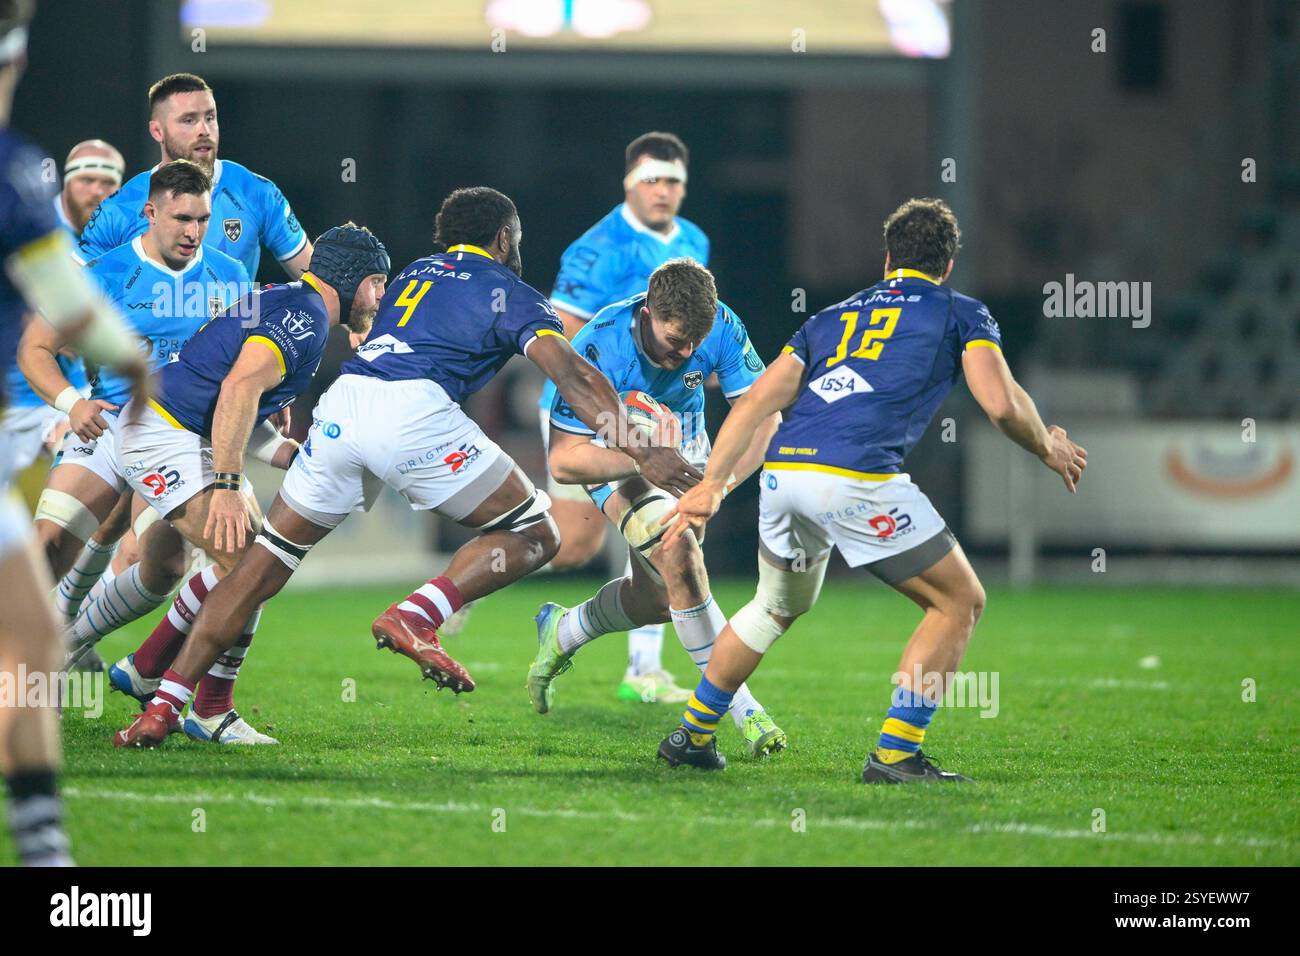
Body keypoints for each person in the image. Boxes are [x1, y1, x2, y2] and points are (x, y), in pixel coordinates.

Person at [112, 186, 700, 748]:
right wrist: (643, 449)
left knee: (258, 567)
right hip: (412, 411)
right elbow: (570, 375)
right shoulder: (507, 288)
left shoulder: (413, 272)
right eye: (515, 240)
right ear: (503, 238)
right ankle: (417, 615)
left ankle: (164, 704)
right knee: (536, 531)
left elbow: (365, 328)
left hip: (343, 405)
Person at [655, 198, 1088, 778]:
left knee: (773, 606)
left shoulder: (829, 317)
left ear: (887, 259)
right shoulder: (961, 313)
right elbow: (1002, 403)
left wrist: (714, 484)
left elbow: (756, 401)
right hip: (855, 477)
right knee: (959, 601)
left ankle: (691, 736)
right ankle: (895, 753)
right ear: (948, 264)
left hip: (785, 475)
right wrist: (1048, 446)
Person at [95, 224, 388, 745]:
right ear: (349, 279)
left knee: (250, 563)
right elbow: (237, 389)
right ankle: (197, 704)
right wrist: (229, 485)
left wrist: (282, 452)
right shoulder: (307, 316)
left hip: (178, 429)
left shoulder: (291, 302)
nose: (381, 296)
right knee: (246, 565)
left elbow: (229, 392)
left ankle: (149, 669)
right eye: (377, 282)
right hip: (163, 435)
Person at [527, 258, 787, 757]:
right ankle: (742, 711)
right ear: (648, 314)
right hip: (620, 461)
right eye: (676, 342)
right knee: (681, 559)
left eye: (695, 343)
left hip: (692, 465)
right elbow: (563, 462)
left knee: (658, 601)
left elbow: (763, 419)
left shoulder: (724, 326)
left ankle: (563, 630)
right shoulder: (600, 345)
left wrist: (720, 484)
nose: (688, 353)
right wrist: (639, 460)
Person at [0, 0, 146, 865]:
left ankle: (48, 858)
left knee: (36, 633)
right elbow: (70, 307)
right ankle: (52, 869)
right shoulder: (15, 169)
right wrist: (134, 366)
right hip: (22, 419)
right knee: (32, 640)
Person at [20, 159, 251, 670]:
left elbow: (249, 361)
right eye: (181, 219)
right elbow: (35, 347)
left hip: (182, 434)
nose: (193, 232)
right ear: (150, 212)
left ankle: (65, 645)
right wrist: (71, 402)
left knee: (167, 568)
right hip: (109, 424)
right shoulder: (104, 275)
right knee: (49, 543)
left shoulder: (231, 278)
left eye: (202, 220)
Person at [541, 131, 711, 704]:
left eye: (673, 182)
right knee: (570, 548)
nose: (662, 191)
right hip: (588, 417)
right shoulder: (596, 249)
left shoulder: (693, 241)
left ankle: (642, 668)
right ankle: (485, 565)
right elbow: (561, 338)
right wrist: (619, 415)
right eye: (652, 180)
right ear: (630, 184)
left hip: (661, 413)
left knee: (664, 537)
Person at [76, 72, 311, 280]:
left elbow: (319, 285)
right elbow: (67, 292)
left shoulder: (257, 192)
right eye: (189, 120)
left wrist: (348, 325)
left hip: (238, 330)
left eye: (210, 118)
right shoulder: (120, 206)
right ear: (157, 131)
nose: (204, 130)